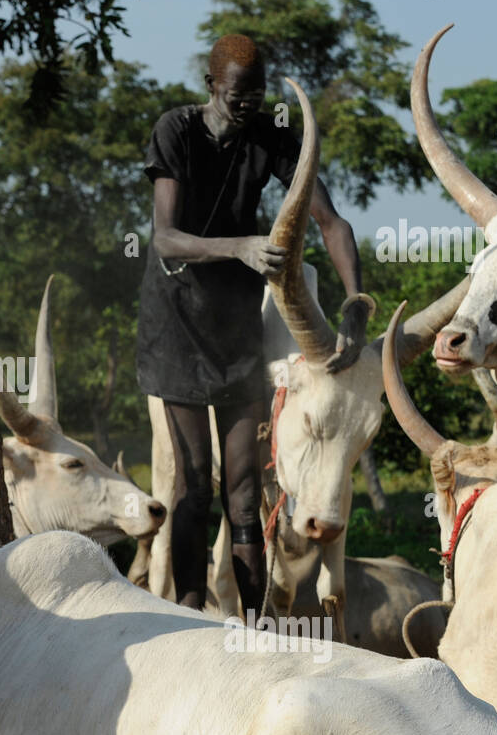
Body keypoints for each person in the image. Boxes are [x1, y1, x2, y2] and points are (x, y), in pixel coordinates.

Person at [137, 33, 367, 616]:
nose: (247, 105)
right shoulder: (177, 131)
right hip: (178, 325)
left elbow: (331, 223)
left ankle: (257, 623)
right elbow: (164, 237)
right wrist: (239, 245)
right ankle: (187, 615)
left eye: (258, 94)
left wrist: (354, 304)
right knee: (192, 487)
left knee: (242, 492)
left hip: (237, 331)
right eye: (237, 94)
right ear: (212, 85)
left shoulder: (272, 139)